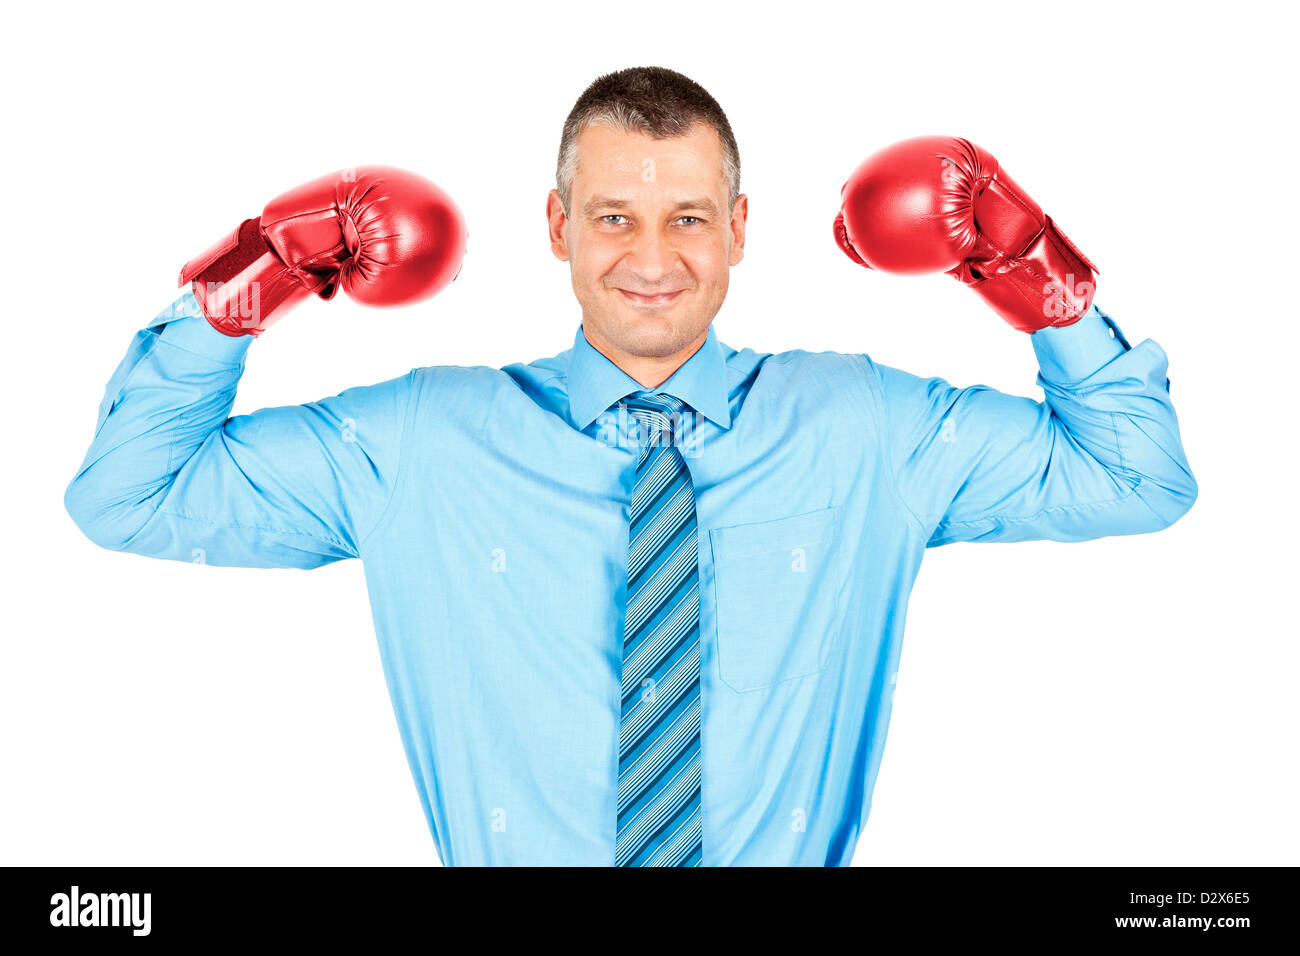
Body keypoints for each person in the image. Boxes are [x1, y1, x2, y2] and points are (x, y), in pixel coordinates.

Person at [65, 66, 1197, 866]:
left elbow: (1137, 477)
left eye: (689, 217)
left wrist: (1029, 261)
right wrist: (256, 272)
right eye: (613, 216)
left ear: (742, 226)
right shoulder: (424, 437)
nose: (652, 259)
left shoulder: (862, 423)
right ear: (557, 226)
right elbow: (129, 496)